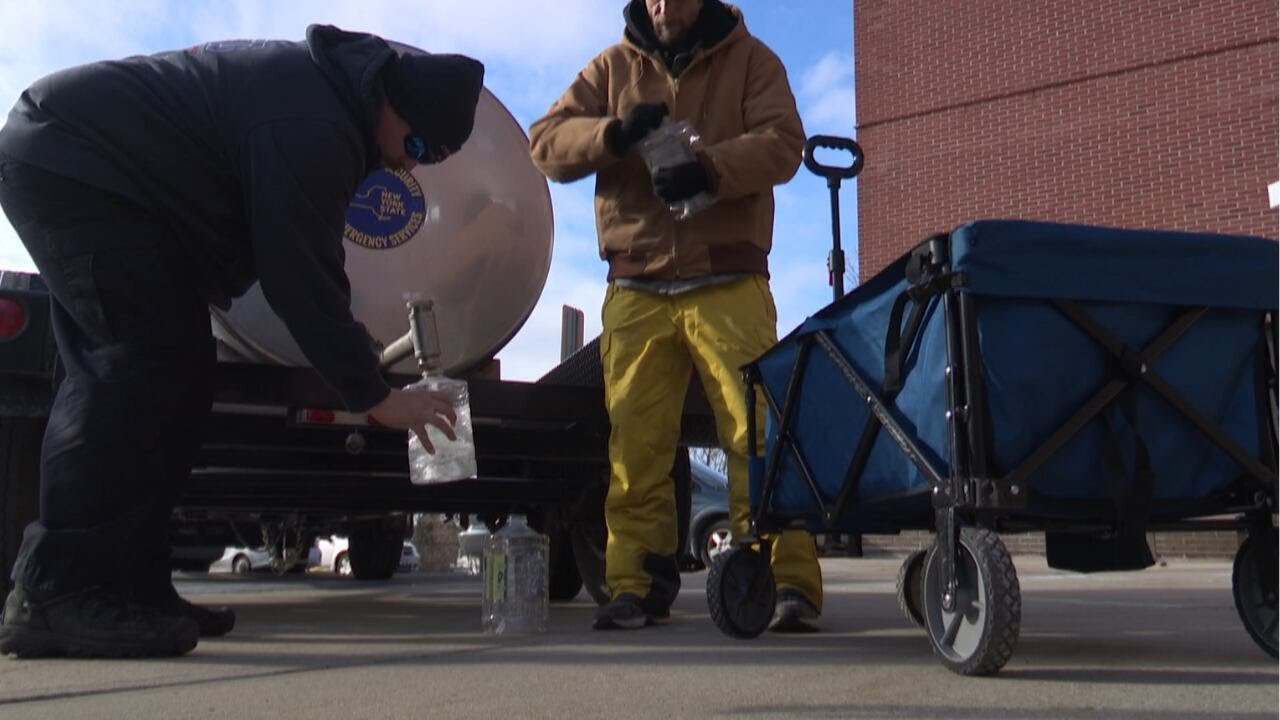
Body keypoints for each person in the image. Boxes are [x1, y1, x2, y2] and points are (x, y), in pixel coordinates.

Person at [0, 25, 484, 658]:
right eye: (416, 142)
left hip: (113, 185)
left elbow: (306, 259)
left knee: (182, 371)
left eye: (431, 158)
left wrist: (352, 348)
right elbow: (298, 272)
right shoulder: (317, 119)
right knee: (132, 366)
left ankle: (131, 587)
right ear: (394, 102)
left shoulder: (332, 106)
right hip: (76, 165)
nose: (410, 162)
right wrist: (376, 396)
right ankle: (55, 590)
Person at [529, 0, 823, 631]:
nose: (664, 7)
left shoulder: (753, 61)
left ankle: (787, 580)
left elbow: (784, 143)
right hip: (636, 284)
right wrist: (613, 134)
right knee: (634, 447)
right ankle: (634, 584)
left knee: (756, 435)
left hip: (730, 277)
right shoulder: (611, 67)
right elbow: (545, 143)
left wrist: (708, 168)